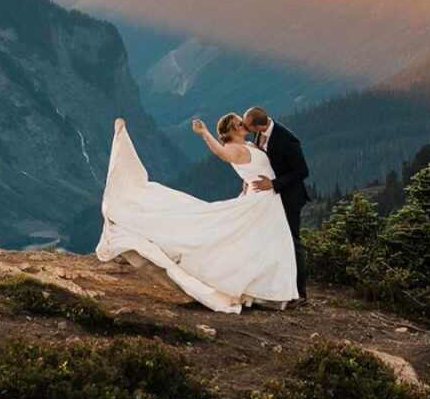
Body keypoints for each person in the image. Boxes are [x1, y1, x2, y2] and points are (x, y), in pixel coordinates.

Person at [94, 116, 298, 313]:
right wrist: (204, 133)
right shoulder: (233, 148)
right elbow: (221, 153)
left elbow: (256, 166)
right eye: (239, 122)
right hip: (260, 199)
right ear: (232, 130)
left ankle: (265, 291)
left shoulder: (248, 144)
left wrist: (250, 179)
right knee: (262, 241)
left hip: (266, 198)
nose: (243, 123)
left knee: (265, 242)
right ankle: (263, 291)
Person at [241, 106, 310, 304]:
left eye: (247, 126)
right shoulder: (259, 134)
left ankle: (300, 294)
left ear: (259, 125)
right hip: (270, 198)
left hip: (289, 197)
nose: (244, 128)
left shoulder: (287, 139)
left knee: (292, 241)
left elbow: (302, 171)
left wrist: (274, 184)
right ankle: (277, 287)